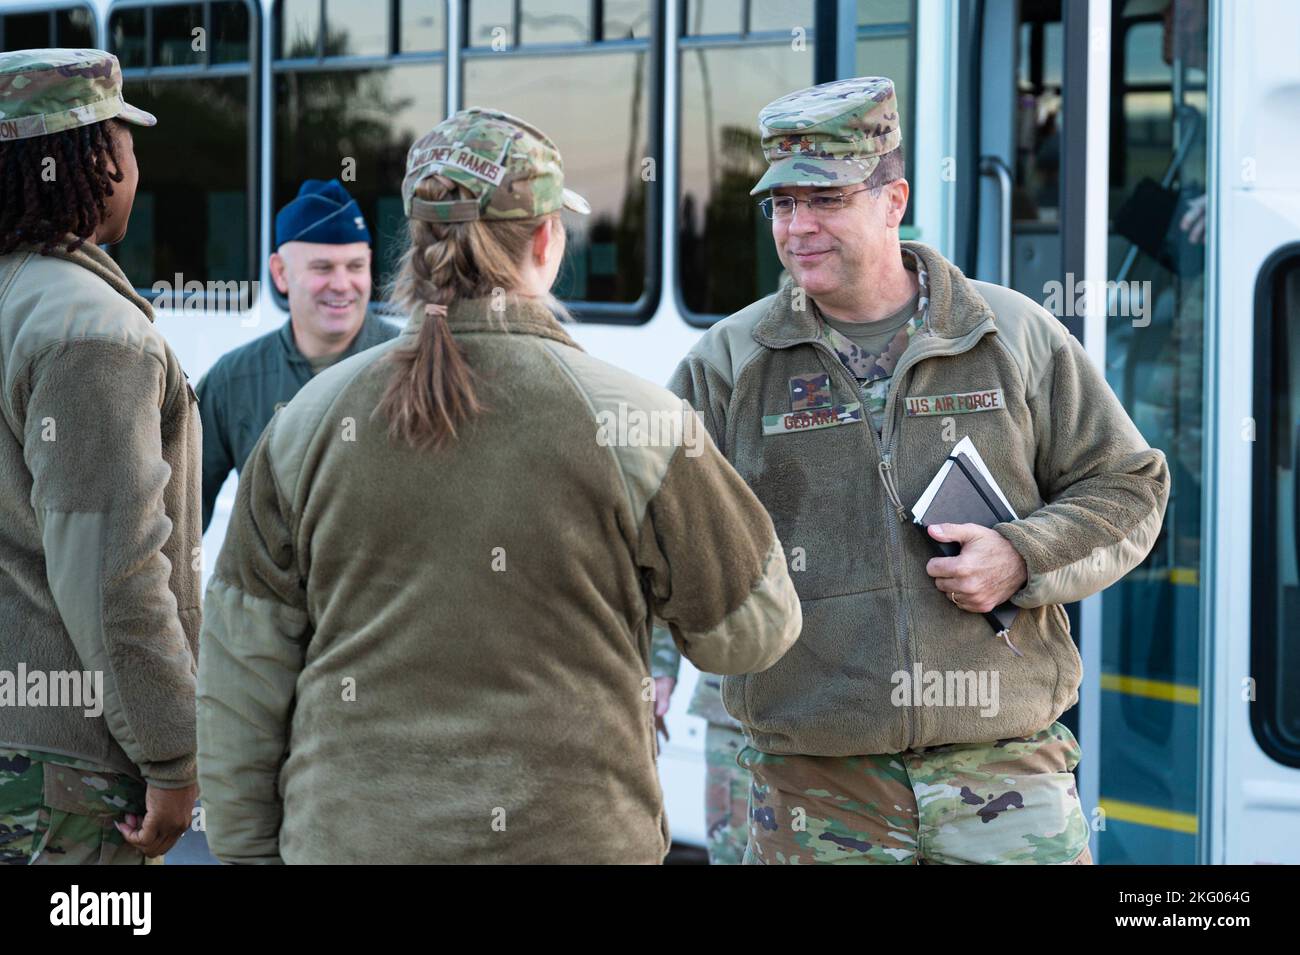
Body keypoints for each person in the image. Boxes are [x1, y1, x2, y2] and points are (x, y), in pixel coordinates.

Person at [196, 108, 802, 864]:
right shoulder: (640, 423)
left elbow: (241, 667)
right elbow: (753, 632)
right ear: (547, 242)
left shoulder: (305, 423)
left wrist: (248, 849)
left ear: (415, 246)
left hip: (351, 839)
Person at [668, 76, 1171, 864]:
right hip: (818, 791)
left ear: (893, 197)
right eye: (781, 205)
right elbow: (657, 536)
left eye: (825, 201)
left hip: (1008, 777)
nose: (797, 227)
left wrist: (1021, 555)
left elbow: (1132, 487)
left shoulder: (1008, 335)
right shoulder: (730, 363)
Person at [0, 49, 200, 864]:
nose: (133, 161)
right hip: (63, 781)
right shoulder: (92, 332)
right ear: (95, 158)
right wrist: (173, 753)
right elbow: (113, 571)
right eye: (124, 136)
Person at [196, 178, 399, 531]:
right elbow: (180, 512)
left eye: (355, 267)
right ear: (280, 273)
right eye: (322, 268)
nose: (341, 284)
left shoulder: (411, 367)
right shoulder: (234, 379)